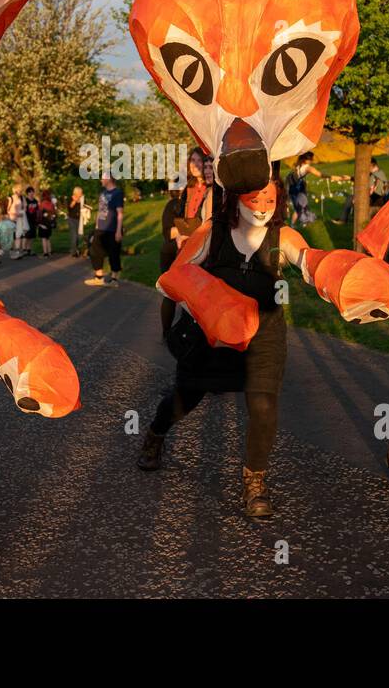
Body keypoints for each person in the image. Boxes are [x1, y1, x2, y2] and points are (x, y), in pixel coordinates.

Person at [138, 169, 291, 517]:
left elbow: (309, 260)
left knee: (264, 405)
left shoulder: (284, 235)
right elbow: (173, 276)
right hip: (212, 333)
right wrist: (203, 300)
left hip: (263, 335)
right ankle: (155, 433)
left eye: (271, 197)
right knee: (185, 398)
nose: (264, 205)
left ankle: (255, 481)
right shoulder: (213, 231)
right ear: (237, 197)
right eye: (256, 198)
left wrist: (340, 277)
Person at [158, 147, 211, 336]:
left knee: (193, 295)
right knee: (171, 290)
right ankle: (167, 333)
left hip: (200, 244)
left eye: (199, 161)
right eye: (192, 161)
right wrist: (180, 233)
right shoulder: (188, 188)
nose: (196, 165)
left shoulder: (211, 187)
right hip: (182, 245)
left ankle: (189, 333)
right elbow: (180, 217)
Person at [85, 173, 123, 287]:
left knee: (113, 254)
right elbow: (100, 211)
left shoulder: (117, 193)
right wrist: (96, 226)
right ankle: (99, 277)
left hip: (112, 229)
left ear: (109, 179)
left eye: (103, 178)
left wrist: (118, 230)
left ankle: (114, 280)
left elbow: (120, 213)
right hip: (100, 228)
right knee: (94, 251)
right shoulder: (102, 193)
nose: (101, 180)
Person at [37, 188, 57, 258]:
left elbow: (39, 214)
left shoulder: (42, 204)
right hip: (49, 223)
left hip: (43, 223)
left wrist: (38, 223)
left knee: (43, 238)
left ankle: (45, 253)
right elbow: (54, 213)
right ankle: (50, 251)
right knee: (48, 238)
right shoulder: (51, 204)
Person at [66, 186, 86, 258]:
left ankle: (76, 249)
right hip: (72, 219)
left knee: (79, 236)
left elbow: (85, 206)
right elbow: (69, 207)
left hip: (80, 219)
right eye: (80, 192)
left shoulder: (83, 199)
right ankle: (73, 252)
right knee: (74, 236)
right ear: (76, 192)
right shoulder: (70, 198)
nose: (81, 194)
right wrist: (75, 201)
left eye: (81, 192)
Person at [23, 186, 40, 255]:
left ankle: (29, 249)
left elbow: (37, 210)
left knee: (32, 236)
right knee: (27, 235)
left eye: (32, 192)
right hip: (27, 220)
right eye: (30, 192)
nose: (32, 193)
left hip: (34, 220)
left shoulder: (35, 201)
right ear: (27, 193)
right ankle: (24, 249)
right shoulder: (26, 201)